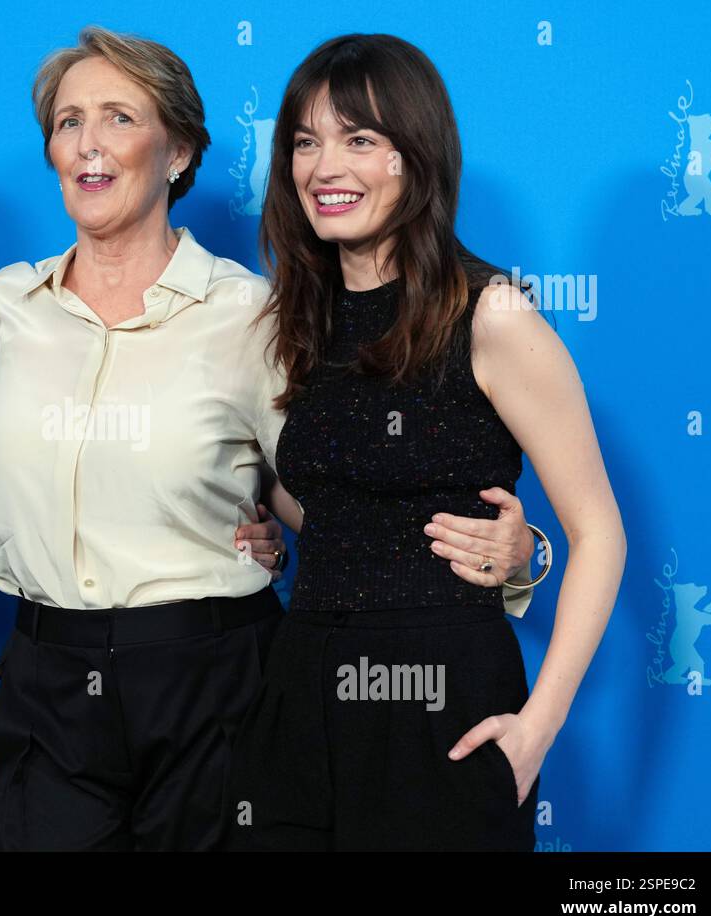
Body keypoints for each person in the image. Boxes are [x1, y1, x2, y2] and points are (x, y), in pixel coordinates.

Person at [0, 27, 538, 852]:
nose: (88, 144)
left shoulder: (261, 315)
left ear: (178, 153)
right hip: (46, 685)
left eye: (119, 118)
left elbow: (339, 490)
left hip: (213, 682)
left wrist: (522, 554)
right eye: (67, 122)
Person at [222, 33, 626, 851]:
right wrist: (258, 505)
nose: (324, 166)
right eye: (306, 142)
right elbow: (340, 504)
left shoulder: (492, 315)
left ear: (417, 156)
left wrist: (536, 728)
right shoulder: (297, 321)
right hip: (300, 698)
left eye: (359, 139)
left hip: (442, 707)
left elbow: (601, 534)